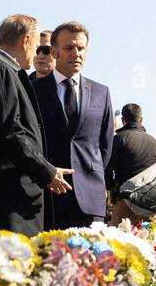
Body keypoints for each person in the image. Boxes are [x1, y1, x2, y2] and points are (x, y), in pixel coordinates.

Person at [0, 14, 68, 235]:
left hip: (1, 198)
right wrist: (46, 172)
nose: (36, 52)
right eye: (37, 45)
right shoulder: (0, 71)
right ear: (26, 41)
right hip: (6, 200)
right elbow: (10, 132)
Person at [31, 21, 115, 229]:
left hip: (90, 202)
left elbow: (105, 145)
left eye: (81, 48)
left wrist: (90, 175)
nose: (76, 53)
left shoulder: (101, 92)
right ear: (54, 52)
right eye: (69, 48)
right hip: (48, 199)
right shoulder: (33, 91)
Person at [106, 103, 156, 225]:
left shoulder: (119, 139)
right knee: (151, 240)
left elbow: (106, 169)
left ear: (123, 120)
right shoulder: (155, 143)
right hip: (150, 206)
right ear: (141, 120)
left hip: (125, 204)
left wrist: (112, 188)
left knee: (121, 241)